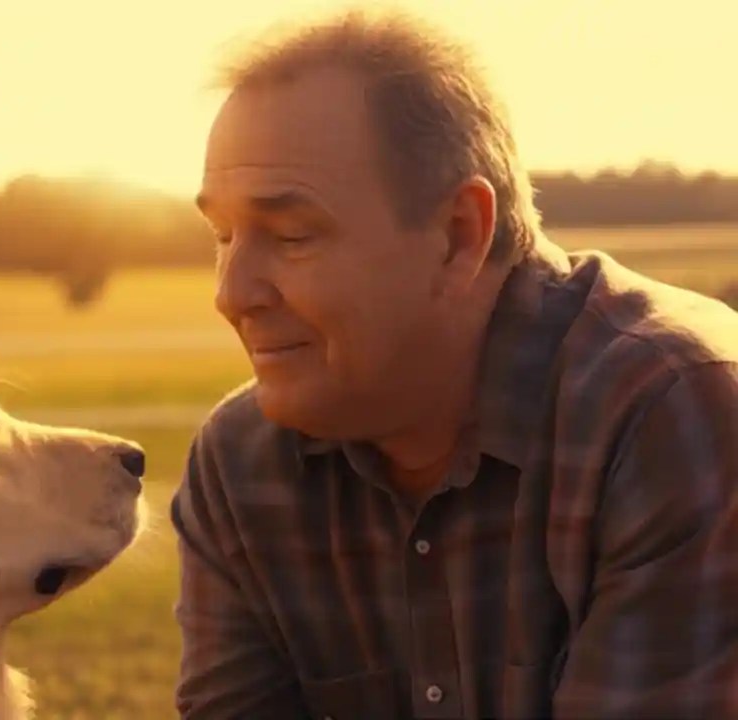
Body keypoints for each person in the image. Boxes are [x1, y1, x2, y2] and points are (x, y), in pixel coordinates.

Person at [171, 8, 738, 719]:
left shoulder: (670, 411)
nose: (231, 294)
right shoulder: (242, 466)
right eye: (223, 236)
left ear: (456, 236)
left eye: (290, 235)